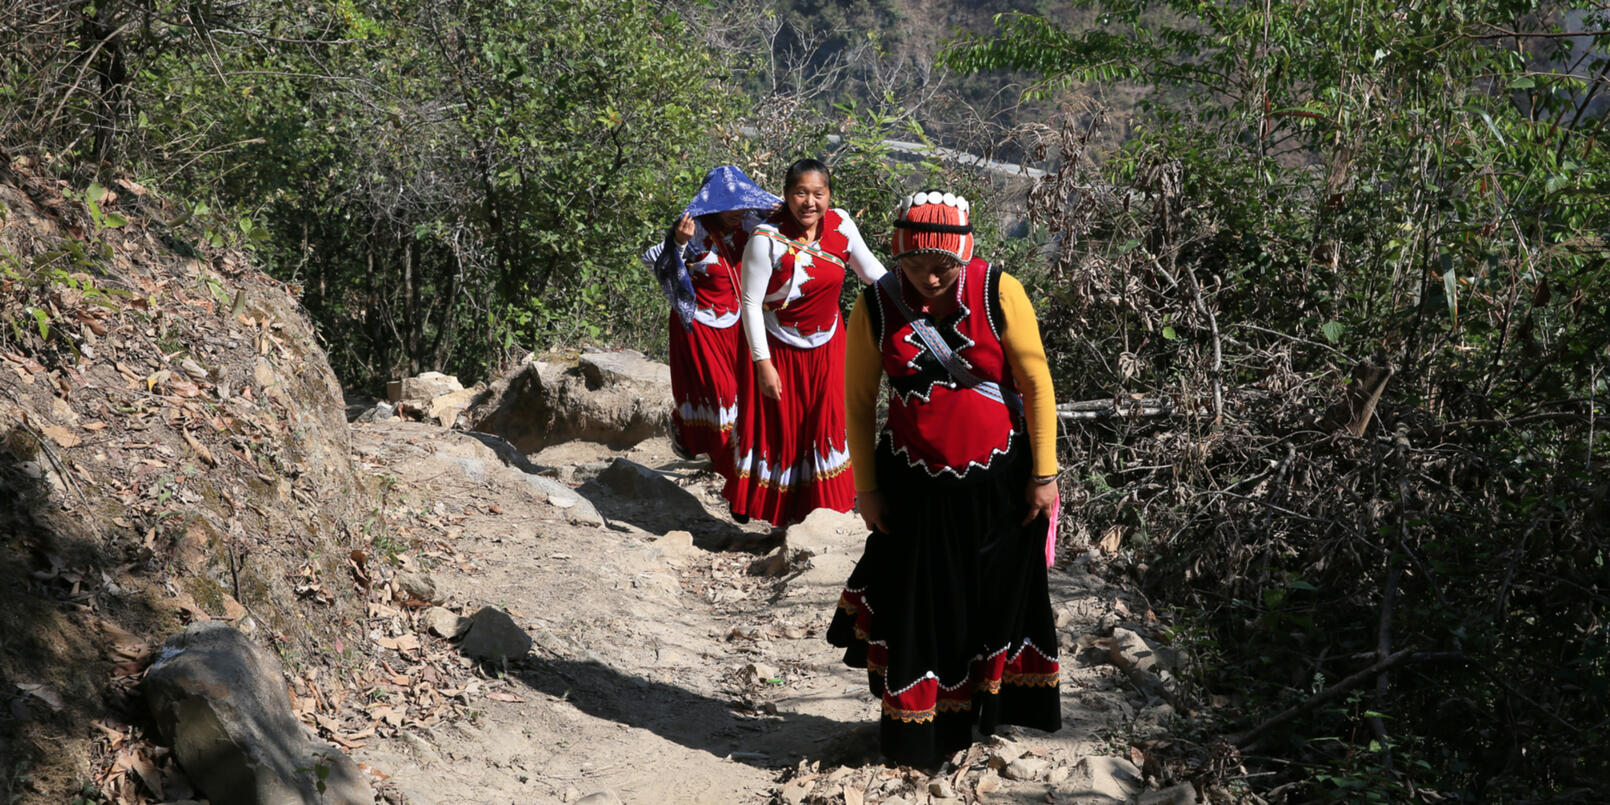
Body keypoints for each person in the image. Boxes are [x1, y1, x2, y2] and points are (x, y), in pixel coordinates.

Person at [826, 190, 1062, 768]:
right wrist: (868, 488)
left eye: (942, 266)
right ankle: (918, 735)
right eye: (913, 264)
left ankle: (981, 720)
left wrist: (1044, 474)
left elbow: (1035, 384)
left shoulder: (999, 290)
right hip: (914, 487)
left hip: (1000, 485)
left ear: (964, 255)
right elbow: (858, 404)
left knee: (992, 600)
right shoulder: (875, 306)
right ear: (895, 254)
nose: (929, 278)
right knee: (921, 607)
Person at [725, 158, 887, 527]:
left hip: (829, 345)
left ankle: (827, 511)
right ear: (786, 195)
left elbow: (873, 275)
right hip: (776, 345)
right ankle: (764, 503)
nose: (809, 202)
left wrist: (912, 297)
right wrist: (763, 364)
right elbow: (749, 303)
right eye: (801, 193)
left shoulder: (842, 226)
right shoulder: (766, 240)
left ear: (829, 196)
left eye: (818, 193)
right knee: (777, 426)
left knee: (826, 423)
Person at [642, 165, 781, 485]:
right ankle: (727, 468)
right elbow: (653, 259)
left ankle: (706, 444)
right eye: (729, 205)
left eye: (743, 202)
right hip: (701, 326)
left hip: (738, 323)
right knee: (720, 393)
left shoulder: (752, 224)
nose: (738, 211)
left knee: (741, 393)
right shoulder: (692, 231)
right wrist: (677, 244)